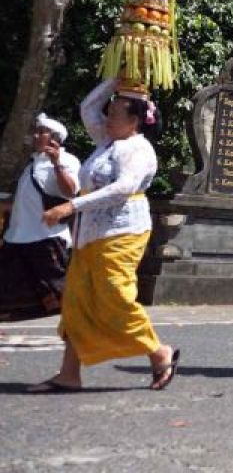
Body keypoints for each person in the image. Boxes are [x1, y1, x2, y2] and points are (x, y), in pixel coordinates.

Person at [29, 79, 178, 392]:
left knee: (115, 296)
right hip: (88, 234)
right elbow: (87, 108)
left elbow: (123, 188)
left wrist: (71, 206)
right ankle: (69, 373)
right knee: (77, 299)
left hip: (122, 232)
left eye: (115, 114)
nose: (107, 118)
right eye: (108, 112)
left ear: (134, 120)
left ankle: (158, 351)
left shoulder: (139, 149)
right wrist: (116, 79)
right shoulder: (106, 142)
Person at [0, 114, 80, 314]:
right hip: (17, 237)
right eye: (35, 131)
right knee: (12, 292)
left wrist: (57, 163)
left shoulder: (68, 160)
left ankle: (80, 322)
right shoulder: (31, 165)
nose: (35, 136)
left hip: (46, 237)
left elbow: (71, 191)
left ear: (55, 139)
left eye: (41, 132)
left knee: (58, 292)